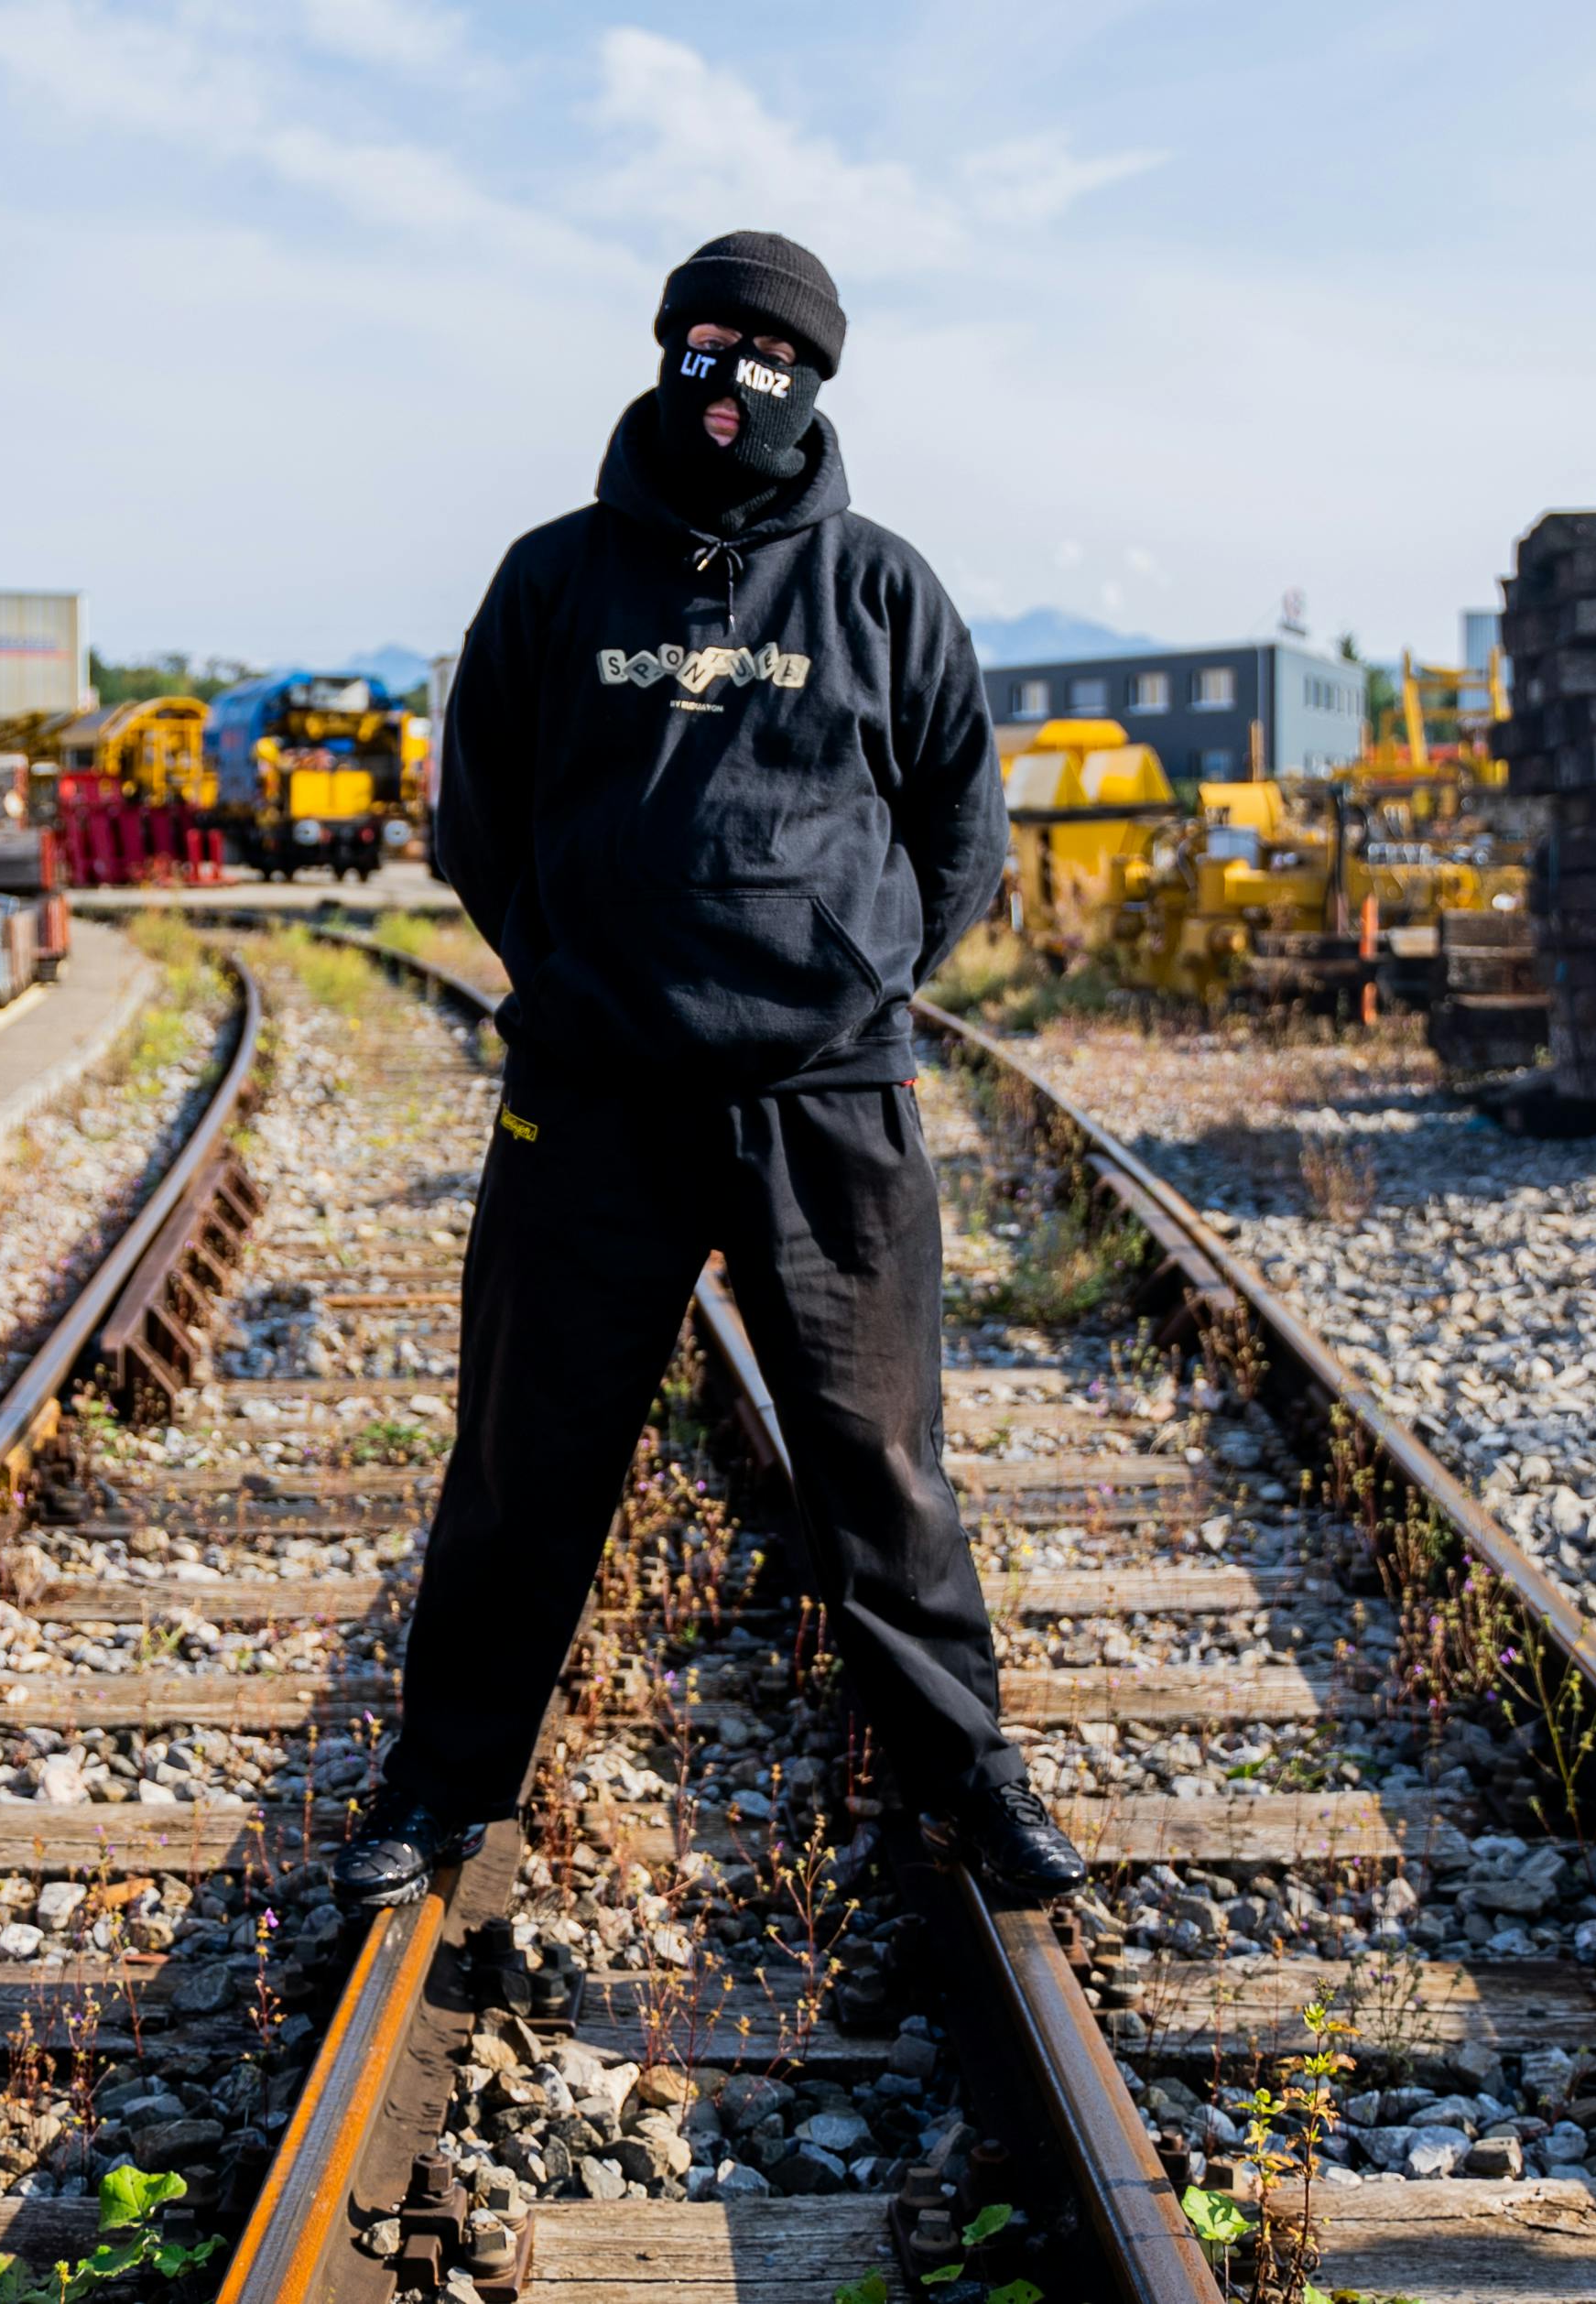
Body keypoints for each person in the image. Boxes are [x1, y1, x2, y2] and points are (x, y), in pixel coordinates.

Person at [333, 231, 1089, 1907]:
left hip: (828, 1105)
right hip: (592, 1099)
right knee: (525, 1459)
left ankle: (970, 1784)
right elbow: (480, 821)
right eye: (702, 339)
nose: (728, 376)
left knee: (882, 1464)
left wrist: (856, 986)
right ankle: (443, 1781)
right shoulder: (552, 578)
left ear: (813, 380)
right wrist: (584, 974)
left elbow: (962, 830)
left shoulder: (883, 587)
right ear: (664, 346)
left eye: (765, 352)